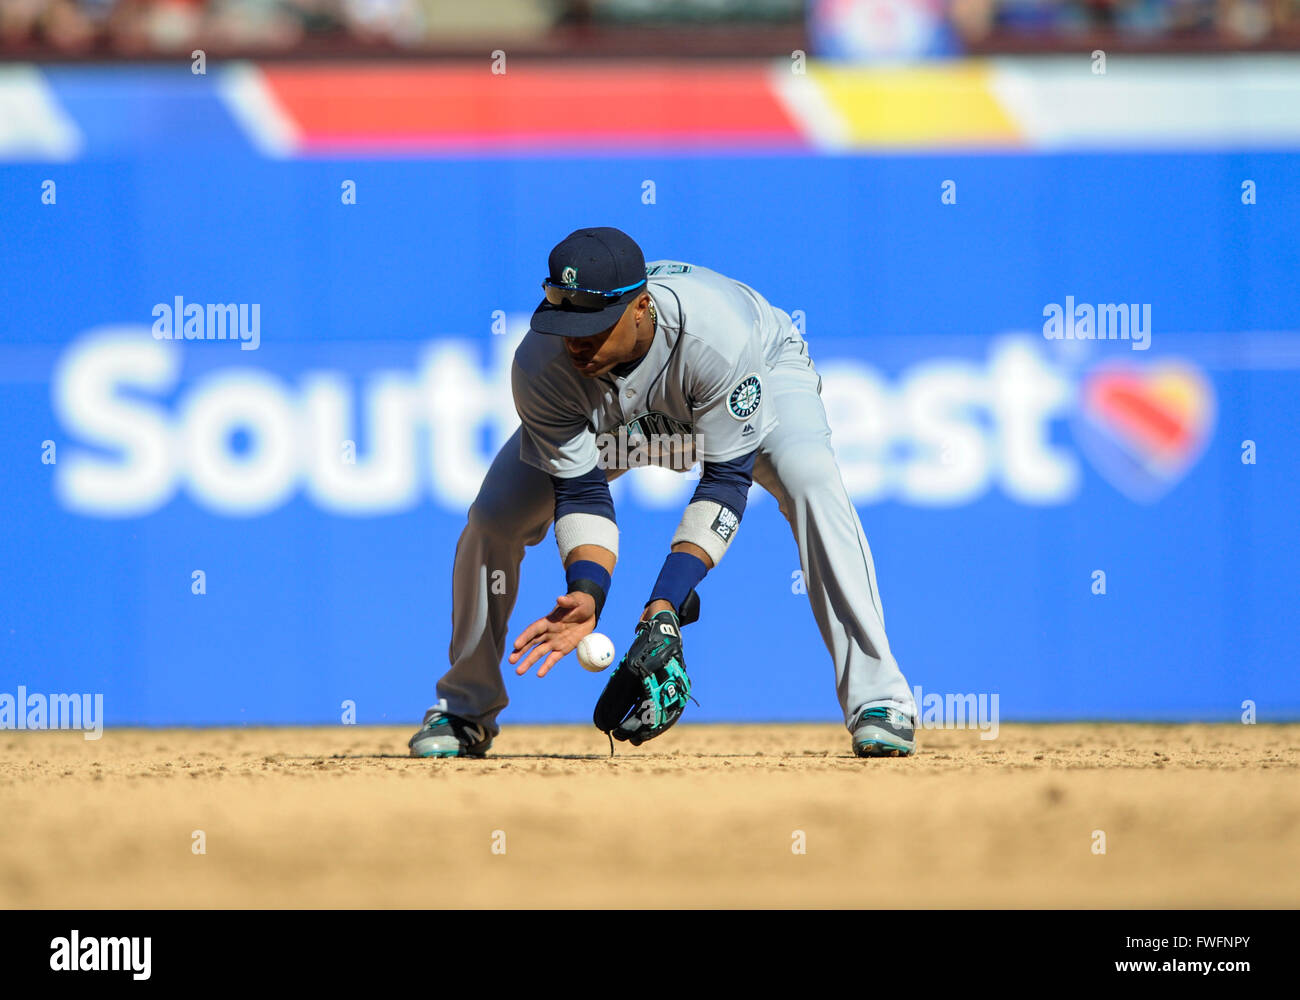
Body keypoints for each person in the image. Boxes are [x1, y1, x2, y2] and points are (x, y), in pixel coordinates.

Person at [409, 227, 917, 758]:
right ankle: (465, 708)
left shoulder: (717, 339)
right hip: (610, 417)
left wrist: (665, 606)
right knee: (493, 516)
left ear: (640, 307)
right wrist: (588, 591)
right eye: (564, 323)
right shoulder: (542, 365)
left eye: (593, 324)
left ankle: (880, 699)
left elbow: (725, 483)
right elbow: (582, 495)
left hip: (752, 373)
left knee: (810, 477)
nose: (576, 340)